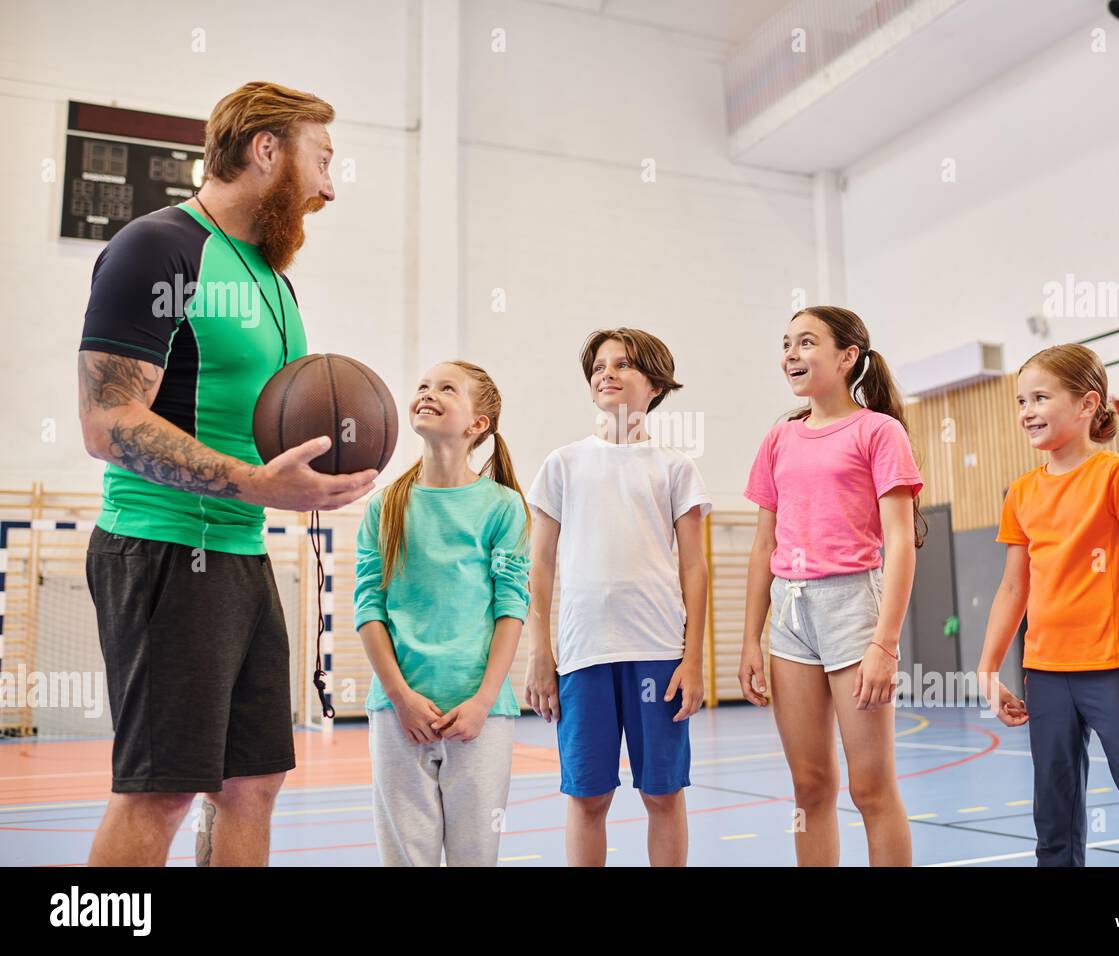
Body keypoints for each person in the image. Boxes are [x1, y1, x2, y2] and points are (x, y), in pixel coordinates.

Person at [77, 81, 375, 867]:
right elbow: (108, 422)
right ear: (266, 150)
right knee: (160, 791)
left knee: (255, 781)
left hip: (241, 554)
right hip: (162, 549)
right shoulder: (159, 247)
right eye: (322, 159)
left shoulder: (272, 279)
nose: (329, 186)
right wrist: (257, 485)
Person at [977, 343, 1119, 866]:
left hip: (1115, 669)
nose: (1027, 411)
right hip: (1045, 673)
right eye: (1021, 401)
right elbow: (1014, 589)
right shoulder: (1020, 493)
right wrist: (988, 666)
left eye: (1041, 397)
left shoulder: (1117, 475)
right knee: (1054, 825)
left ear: (1087, 404)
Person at [739, 306, 924, 867]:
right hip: (791, 617)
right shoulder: (779, 439)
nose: (791, 354)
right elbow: (762, 546)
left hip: (854, 608)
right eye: (787, 343)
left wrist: (884, 644)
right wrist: (751, 638)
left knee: (871, 788)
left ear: (848, 358)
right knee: (810, 788)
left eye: (807, 342)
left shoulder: (879, 432)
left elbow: (899, 544)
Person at [524, 328, 710, 866]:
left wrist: (692, 659)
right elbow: (538, 566)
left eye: (624, 364)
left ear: (654, 385)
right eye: (599, 366)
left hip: (658, 654)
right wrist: (540, 655)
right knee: (588, 796)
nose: (607, 372)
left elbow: (694, 568)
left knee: (662, 794)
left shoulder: (676, 467)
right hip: (584, 656)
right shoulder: (562, 464)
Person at [355, 360, 531, 867]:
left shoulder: (502, 507)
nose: (428, 392)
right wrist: (400, 697)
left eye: (447, 388)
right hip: (398, 712)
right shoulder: (385, 505)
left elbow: (510, 608)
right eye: (424, 385)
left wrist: (482, 701)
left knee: (476, 856)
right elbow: (368, 606)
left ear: (478, 424)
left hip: (479, 714)